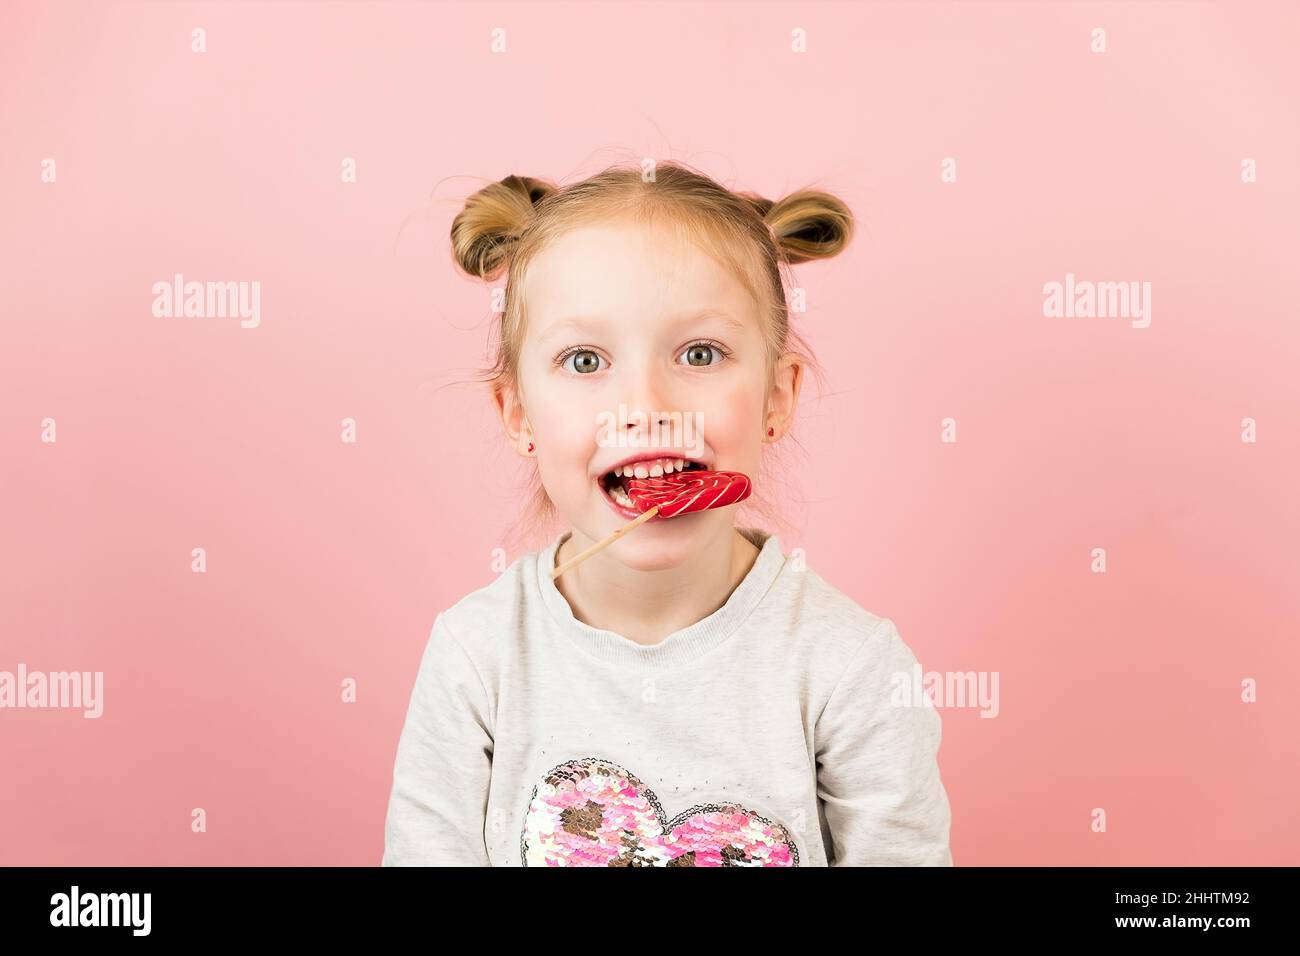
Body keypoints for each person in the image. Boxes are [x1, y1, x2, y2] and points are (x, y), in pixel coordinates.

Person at [382, 161, 952, 866]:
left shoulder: (849, 668)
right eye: (586, 361)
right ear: (518, 412)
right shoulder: (477, 658)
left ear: (777, 398)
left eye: (701, 353)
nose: (646, 409)